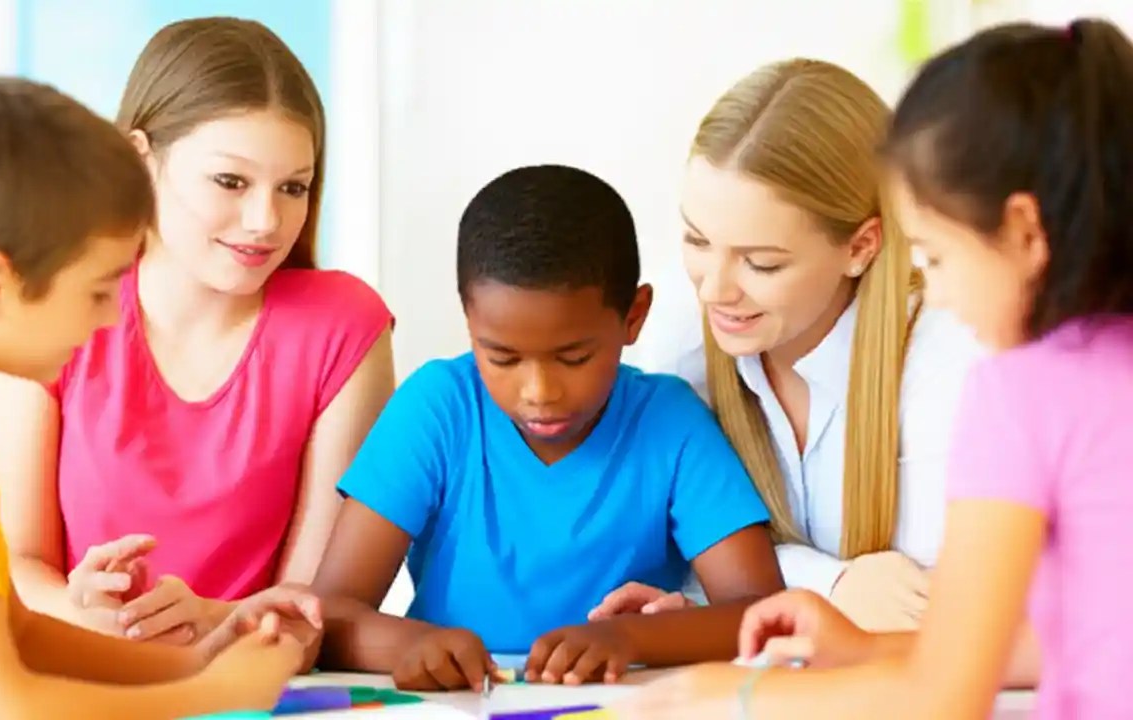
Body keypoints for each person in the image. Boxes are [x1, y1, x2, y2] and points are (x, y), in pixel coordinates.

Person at [612, 17, 1133, 720]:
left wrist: (740, 694)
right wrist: (854, 640)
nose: (935, 289)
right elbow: (1056, 639)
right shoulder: (680, 342)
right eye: (697, 241)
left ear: (1024, 233)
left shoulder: (1008, 388)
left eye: (938, 257)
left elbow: (947, 688)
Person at [0, 76, 323, 719]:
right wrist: (213, 695)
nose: (110, 321)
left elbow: (18, 633)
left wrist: (194, 660)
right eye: (99, 290)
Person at [0, 17, 395, 646]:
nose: (265, 220)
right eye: (231, 181)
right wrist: (81, 611)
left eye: (293, 188)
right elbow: (12, 566)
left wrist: (216, 620)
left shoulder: (345, 329)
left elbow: (315, 606)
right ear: (141, 160)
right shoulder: (47, 304)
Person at [310, 164, 784, 692]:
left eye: (574, 357)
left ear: (633, 317)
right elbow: (326, 615)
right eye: (502, 357)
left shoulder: (670, 423)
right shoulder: (437, 408)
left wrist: (630, 639)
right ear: (469, 321)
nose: (539, 391)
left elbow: (761, 611)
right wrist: (410, 645)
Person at [590, 57, 985, 634]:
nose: (716, 289)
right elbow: (680, 548)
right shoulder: (679, 338)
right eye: (697, 239)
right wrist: (829, 583)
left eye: (761, 262)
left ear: (861, 247)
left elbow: (923, 604)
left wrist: (746, 591)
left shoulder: (947, 365)